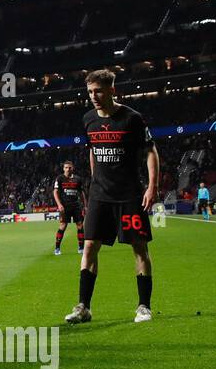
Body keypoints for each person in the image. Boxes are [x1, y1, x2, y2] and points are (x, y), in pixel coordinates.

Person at [65, 69, 160, 325]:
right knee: (89, 246)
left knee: (139, 248)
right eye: (89, 92)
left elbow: (151, 152)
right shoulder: (87, 119)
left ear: (111, 90)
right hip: (99, 196)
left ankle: (143, 307)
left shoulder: (132, 118)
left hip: (129, 195)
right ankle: (83, 307)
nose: (94, 96)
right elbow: (93, 151)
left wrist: (152, 187)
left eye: (98, 91)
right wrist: (96, 181)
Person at [52, 160, 85, 256]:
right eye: (66, 167)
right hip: (64, 206)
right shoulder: (60, 178)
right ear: (63, 168)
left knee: (80, 225)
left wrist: (85, 205)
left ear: (73, 168)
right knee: (63, 226)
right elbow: (55, 192)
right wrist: (59, 204)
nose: (68, 169)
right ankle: (57, 248)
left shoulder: (78, 179)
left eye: (69, 167)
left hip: (76, 205)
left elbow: (82, 192)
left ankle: (81, 248)